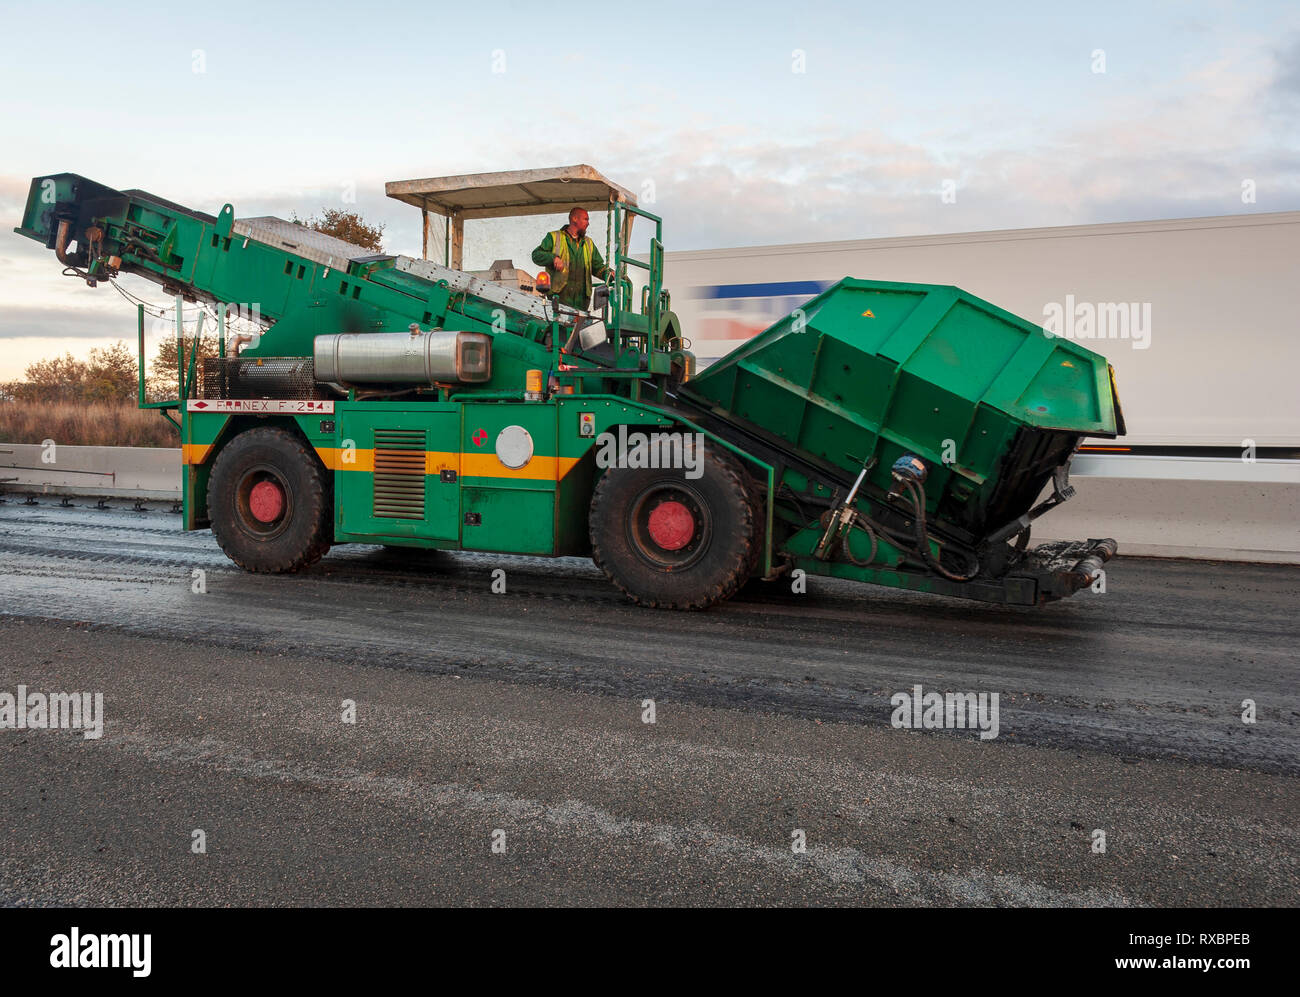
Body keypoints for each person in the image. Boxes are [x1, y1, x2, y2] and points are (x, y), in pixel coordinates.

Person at [531, 207, 614, 311]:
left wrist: (610, 274)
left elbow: (598, 267)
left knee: (578, 326)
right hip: (559, 297)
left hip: (582, 300)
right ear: (574, 219)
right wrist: (553, 259)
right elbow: (536, 255)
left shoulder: (589, 243)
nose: (588, 223)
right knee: (559, 326)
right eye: (586, 219)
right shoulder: (554, 237)